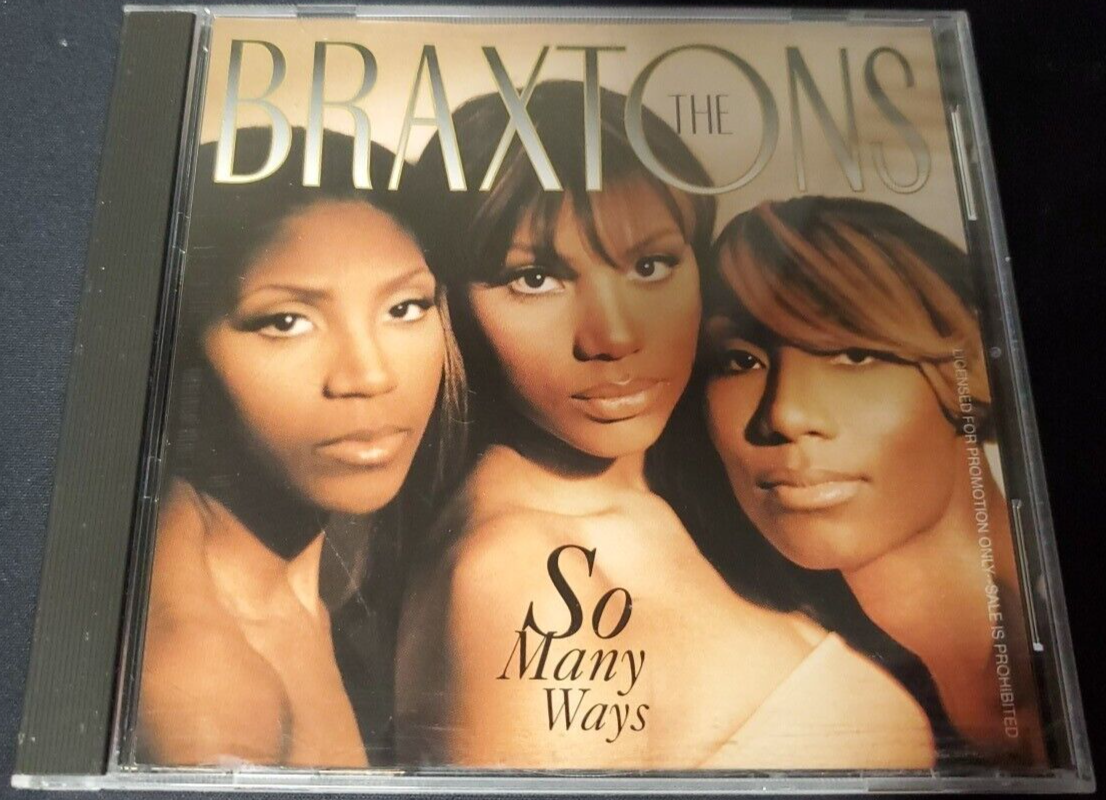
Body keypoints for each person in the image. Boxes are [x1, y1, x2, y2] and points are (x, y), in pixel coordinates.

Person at [395, 82, 934, 769]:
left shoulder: (713, 492)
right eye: (534, 278)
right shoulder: (514, 577)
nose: (613, 336)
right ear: (448, 302)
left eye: (651, 266)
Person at [137, 127, 465, 767]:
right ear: (186, 351)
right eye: (286, 321)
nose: (369, 376)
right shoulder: (205, 691)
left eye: (404, 308)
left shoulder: (326, 578)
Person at [703, 196, 1045, 764]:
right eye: (739, 361)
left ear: (966, 368)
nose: (785, 414)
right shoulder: (769, 680)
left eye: (854, 355)